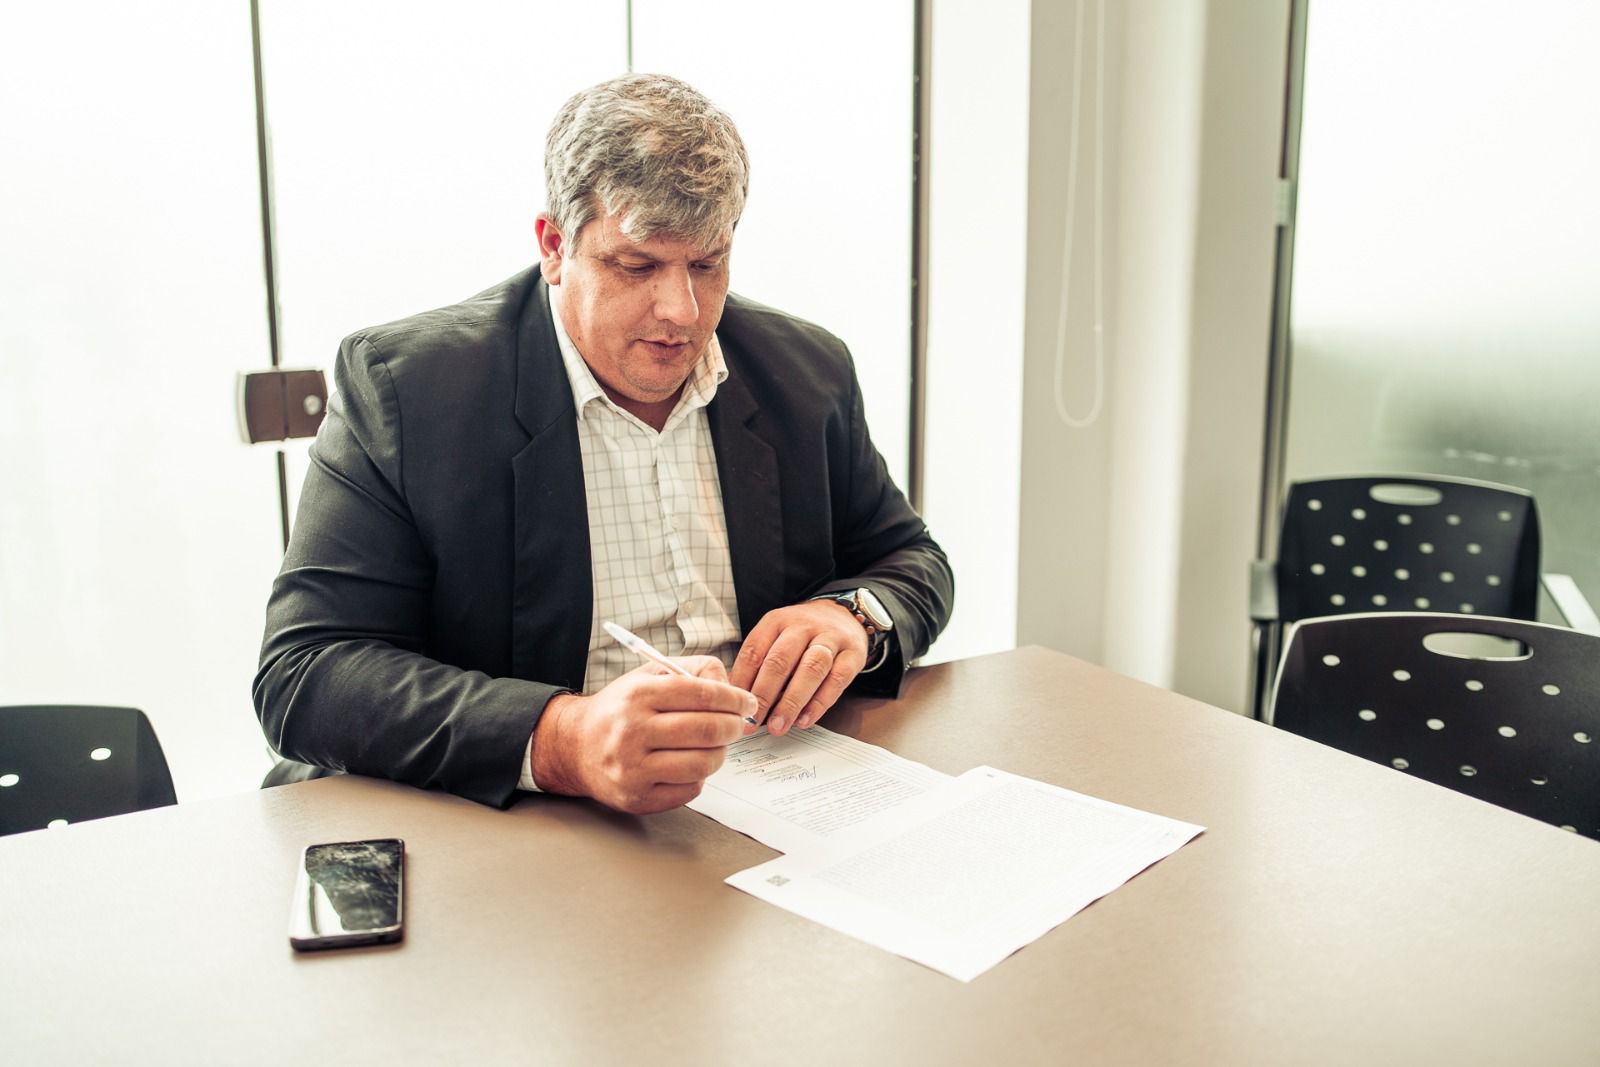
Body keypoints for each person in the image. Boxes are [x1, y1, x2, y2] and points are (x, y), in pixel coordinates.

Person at [254, 73, 953, 814]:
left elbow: (912, 559)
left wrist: (850, 615)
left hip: (772, 796)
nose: (681, 311)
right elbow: (306, 672)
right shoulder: (409, 388)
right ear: (555, 245)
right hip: (511, 816)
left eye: (707, 263)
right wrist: (563, 737)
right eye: (637, 265)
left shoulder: (805, 371)